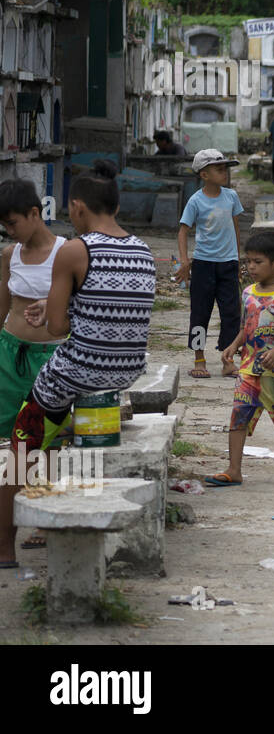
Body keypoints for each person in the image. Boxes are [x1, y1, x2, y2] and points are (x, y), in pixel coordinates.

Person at [11, 161, 155, 457]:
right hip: (128, 369)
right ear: (115, 207)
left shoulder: (75, 250)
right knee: (54, 431)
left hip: (81, 370)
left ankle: (15, 490)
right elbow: (112, 311)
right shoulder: (143, 250)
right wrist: (64, 305)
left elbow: (56, 327)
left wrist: (55, 311)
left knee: (21, 445)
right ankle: (59, 436)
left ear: (77, 207)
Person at [204, 232, 274, 486]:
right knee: (239, 415)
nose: (250, 267)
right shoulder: (248, 293)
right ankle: (234, 469)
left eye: (257, 262)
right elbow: (247, 326)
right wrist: (233, 345)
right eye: (248, 262)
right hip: (248, 370)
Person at [0, 179, 67, 563]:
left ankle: (43, 517)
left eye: (13, 223)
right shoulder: (10, 254)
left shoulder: (66, 253)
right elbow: (3, 303)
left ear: (34, 214)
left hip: (51, 358)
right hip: (10, 353)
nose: (10, 232)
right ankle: (6, 534)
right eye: (5, 227)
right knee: (9, 439)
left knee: (47, 442)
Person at [177, 149, 244, 380]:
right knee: (200, 313)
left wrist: (238, 259)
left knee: (232, 313)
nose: (224, 172)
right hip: (204, 264)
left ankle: (228, 359)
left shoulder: (231, 197)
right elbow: (183, 231)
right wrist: (185, 262)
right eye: (219, 169)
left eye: (225, 168)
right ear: (204, 175)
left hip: (228, 264)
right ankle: (199, 358)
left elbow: (235, 227)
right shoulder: (196, 200)